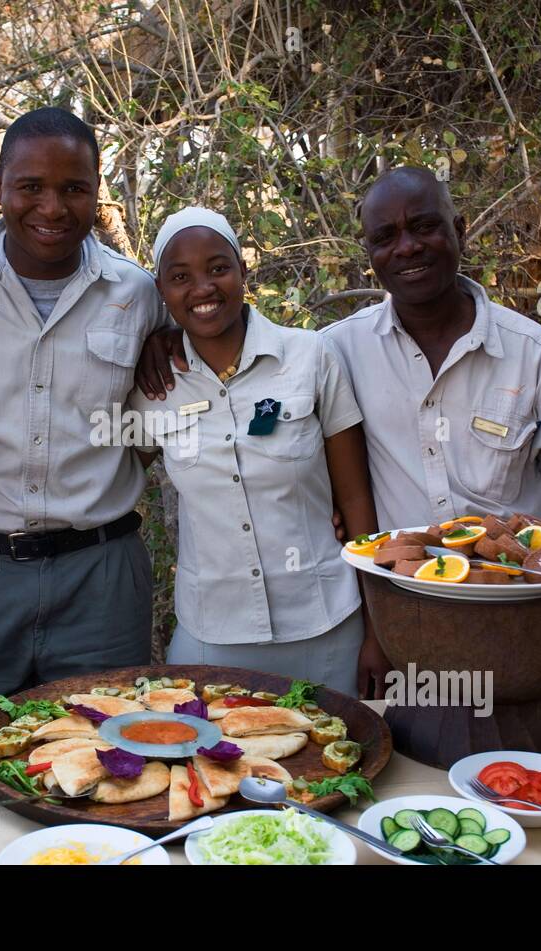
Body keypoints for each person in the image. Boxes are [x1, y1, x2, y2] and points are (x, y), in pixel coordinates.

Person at [134, 167, 541, 696]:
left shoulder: (534, 356)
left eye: (425, 227)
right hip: (399, 619)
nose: (407, 248)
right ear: (368, 250)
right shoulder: (336, 349)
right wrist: (160, 338)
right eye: (385, 237)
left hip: (510, 616)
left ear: (459, 229)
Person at [0, 107, 169, 721]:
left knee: (108, 757)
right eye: (31, 187)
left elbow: (173, 402)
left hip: (100, 576)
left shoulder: (137, 294)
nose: (52, 207)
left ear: (97, 192)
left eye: (74, 188)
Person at [126, 208, 379, 695]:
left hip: (326, 624)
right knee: (210, 768)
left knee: (339, 764)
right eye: (180, 277)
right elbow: (110, 483)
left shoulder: (311, 358)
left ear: (243, 271)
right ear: (162, 293)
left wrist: (378, 628)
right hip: (211, 637)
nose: (203, 288)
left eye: (218, 268)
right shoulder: (155, 386)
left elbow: (355, 501)